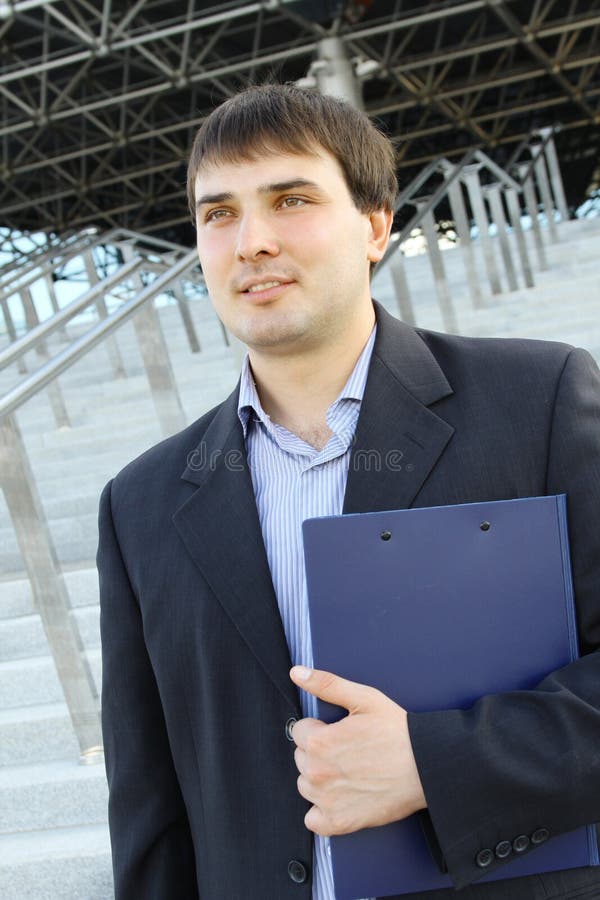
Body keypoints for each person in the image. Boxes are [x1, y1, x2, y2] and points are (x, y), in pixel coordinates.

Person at [97, 84, 600, 900]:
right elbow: (149, 808)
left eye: (290, 200)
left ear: (375, 225)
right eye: (218, 214)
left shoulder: (537, 401)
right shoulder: (140, 504)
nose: (252, 242)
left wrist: (439, 763)